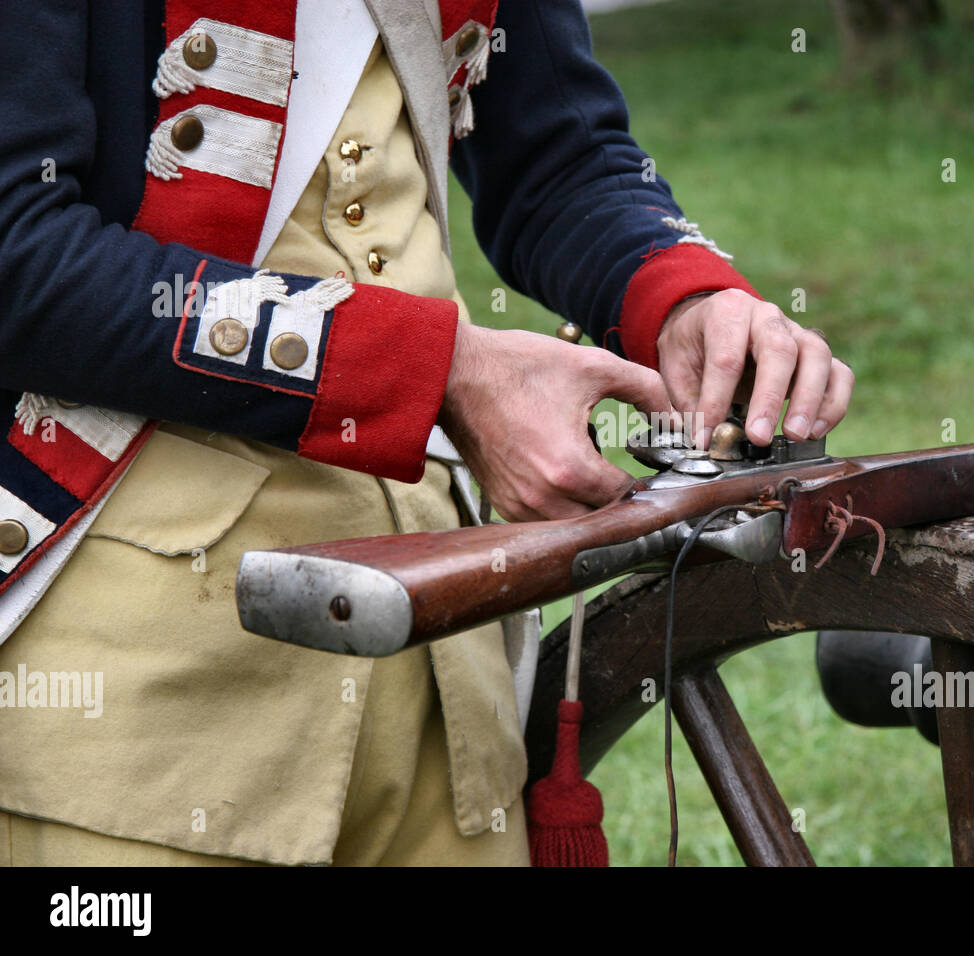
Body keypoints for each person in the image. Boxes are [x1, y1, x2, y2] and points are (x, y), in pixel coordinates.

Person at [0, 0, 853, 865]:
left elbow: (556, 154)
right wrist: (441, 373)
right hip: (133, 666)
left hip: (442, 632)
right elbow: (16, 257)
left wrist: (681, 296)